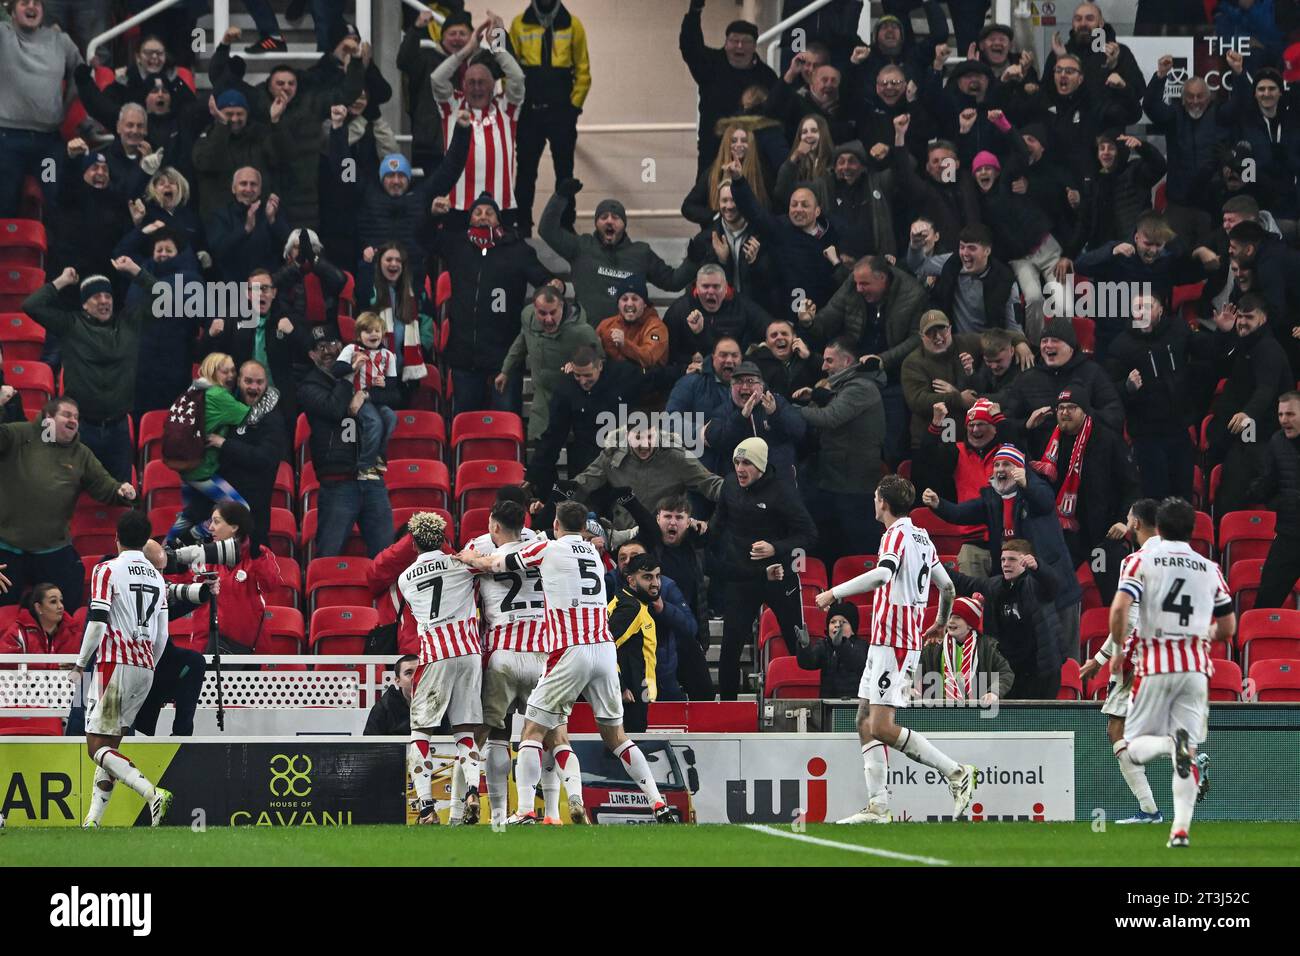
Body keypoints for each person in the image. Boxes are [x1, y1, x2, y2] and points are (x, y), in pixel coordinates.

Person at [457, 500, 680, 824]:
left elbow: (496, 563)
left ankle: (523, 811)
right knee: (617, 736)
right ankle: (659, 805)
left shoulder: (548, 549)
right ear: (585, 529)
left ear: (557, 526)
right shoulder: (592, 554)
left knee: (532, 731)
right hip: (603, 650)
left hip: (569, 650)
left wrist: (469, 558)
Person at [813, 474, 977, 824]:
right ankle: (879, 807)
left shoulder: (897, 534)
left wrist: (834, 593)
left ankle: (957, 772)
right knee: (863, 720)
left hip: (896, 641)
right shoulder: (922, 536)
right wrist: (939, 621)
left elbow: (883, 575)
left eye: (875, 498)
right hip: (887, 640)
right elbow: (947, 588)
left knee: (883, 726)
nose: (874, 503)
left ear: (883, 503)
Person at [1112, 497, 1236, 849]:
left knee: (1132, 748)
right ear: (1193, 529)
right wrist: (1202, 635)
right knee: (1190, 755)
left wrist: (1119, 651)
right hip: (1195, 668)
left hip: (1155, 665)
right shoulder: (1209, 567)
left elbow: (1121, 607)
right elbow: (1227, 627)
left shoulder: (1139, 561)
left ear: (1158, 527)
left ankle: (1170, 745)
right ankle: (1180, 831)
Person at [924, 444, 1083, 665]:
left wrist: (1027, 482)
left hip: (1054, 582)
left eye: (1006, 464)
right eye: (996, 464)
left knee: (1065, 650)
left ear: (1019, 468)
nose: (1000, 469)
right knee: (1036, 651)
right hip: (1021, 587)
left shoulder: (1036, 488)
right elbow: (961, 513)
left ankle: (1072, 694)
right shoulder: (992, 498)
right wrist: (938, 504)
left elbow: (1045, 503)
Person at [465, 499, 566, 826]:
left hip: (502, 653)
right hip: (542, 654)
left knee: (493, 732)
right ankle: (552, 812)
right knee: (548, 735)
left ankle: (492, 813)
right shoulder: (542, 544)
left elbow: (462, 572)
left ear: (494, 523)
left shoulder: (478, 546)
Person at [73, 510, 174, 828]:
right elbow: (163, 635)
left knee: (95, 746)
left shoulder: (106, 570)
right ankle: (93, 821)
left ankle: (152, 792)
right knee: (111, 747)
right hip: (145, 666)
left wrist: (80, 662)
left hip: (113, 664)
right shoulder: (157, 577)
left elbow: (98, 620)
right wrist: (148, 666)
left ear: (116, 537)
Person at [1080, 499, 1178, 824]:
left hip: (1140, 655)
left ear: (1135, 523)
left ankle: (1177, 759)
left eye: (1127, 517)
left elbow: (1127, 615)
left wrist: (1106, 656)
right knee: (1132, 729)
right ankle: (1150, 808)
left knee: (1117, 730)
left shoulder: (1135, 561)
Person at [23, 260, 160, 484]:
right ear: (84, 304)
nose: (104, 301)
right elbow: (31, 306)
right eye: (96, 297)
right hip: (81, 428)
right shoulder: (70, 325)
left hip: (118, 429)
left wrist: (135, 271)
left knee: (122, 494)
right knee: (72, 492)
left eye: (108, 296)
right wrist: (62, 281)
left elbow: (165, 298)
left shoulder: (128, 324)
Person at [0, 397, 137, 611]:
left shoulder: (80, 453)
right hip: (8, 545)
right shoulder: (19, 434)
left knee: (69, 599)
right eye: (66, 415)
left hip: (53, 547)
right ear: (48, 418)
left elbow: (102, 483)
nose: (73, 420)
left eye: (76, 417)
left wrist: (119, 491)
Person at [435, 190, 560, 417]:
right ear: (469, 218)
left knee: (506, 423)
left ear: (498, 219)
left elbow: (545, 280)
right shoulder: (458, 246)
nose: (483, 216)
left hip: (504, 360)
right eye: (478, 212)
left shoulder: (518, 250)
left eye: (489, 212)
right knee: (466, 425)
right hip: (464, 357)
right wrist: (433, 215)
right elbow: (422, 237)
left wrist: (555, 286)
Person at [710, 437, 816, 700]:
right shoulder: (730, 485)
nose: (740, 468)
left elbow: (809, 535)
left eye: (746, 462)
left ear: (760, 465)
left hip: (780, 575)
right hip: (744, 577)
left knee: (796, 642)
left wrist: (775, 548)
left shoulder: (782, 491)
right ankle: (727, 709)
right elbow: (717, 526)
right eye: (737, 461)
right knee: (730, 646)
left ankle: (806, 701)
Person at [398, 512, 483, 826]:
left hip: (436, 653)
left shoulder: (405, 578)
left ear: (414, 541)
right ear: (444, 538)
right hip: (469, 652)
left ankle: (426, 810)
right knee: (465, 731)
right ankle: (473, 790)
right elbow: (483, 568)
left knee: (421, 733)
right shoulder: (461, 564)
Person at [1030, 389, 1138, 604]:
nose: (1065, 413)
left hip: (1105, 533)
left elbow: (1132, 486)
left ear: (1085, 411)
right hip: (1066, 533)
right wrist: (1029, 429)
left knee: (1112, 594)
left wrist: (1123, 521)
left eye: (1072, 407)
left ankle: (1117, 633)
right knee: (1053, 590)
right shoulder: (1049, 442)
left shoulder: (1108, 440)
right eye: (1061, 408)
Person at [540, 179, 698, 322]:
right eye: (603, 217)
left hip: (629, 341)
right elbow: (547, 230)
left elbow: (673, 281)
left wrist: (693, 260)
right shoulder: (582, 246)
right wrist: (560, 197)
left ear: (624, 224)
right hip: (588, 339)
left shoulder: (641, 253)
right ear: (596, 223)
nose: (609, 220)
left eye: (615, 217)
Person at [298, 329, 394, 558]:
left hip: (371, 478)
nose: (329, 350)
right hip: (338, 481)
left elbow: (394, 398)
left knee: (386, 557)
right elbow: (334, 409)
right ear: (312, 355)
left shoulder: (366, 372)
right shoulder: (308, 387)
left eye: (332, 343)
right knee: (329, 556)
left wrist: (368, 394)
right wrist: (349, 377)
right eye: (320, 347)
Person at [792, 337, 886, 567]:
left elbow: (830, 417)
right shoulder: (849, 385)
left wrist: (790, 410)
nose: (823, 367)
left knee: (857, 550)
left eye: (829, 361)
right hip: (838, 480)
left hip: (854, 484)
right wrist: (816, 396)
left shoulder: (861, 387)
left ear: (846, 361)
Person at [430, 13, 526, 220]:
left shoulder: (506, 109)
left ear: (493, 85)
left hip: (501, 207)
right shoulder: (452, 107)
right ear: (463, 86)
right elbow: (436, 79)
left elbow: (517, 77)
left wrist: (498, 42)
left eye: (482, 82)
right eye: (471, 82)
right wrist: (468, 48)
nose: (476, 87)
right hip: (457, 207)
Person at [1203, 295, 1293, 514]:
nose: (1242, 321)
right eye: (1240, 316)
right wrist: (1223, 332)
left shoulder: (1268, 349)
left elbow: (1266, 389)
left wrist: (1247, 413)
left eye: (1249, 317)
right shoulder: (1244, 343)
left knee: (1237, 492)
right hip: (1240, 434)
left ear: (1263, 318)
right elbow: (1217, 363)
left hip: (1258, 437)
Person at [509, 0, 590, 237]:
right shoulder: (519, 25)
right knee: (525, 172)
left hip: (561, 114)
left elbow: (584, 72)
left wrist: (573, 108)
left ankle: (565, 224)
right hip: (528, 113)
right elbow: (508, 68)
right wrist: (515, 105)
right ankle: (522, 225)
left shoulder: (573, 25)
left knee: (564, 171)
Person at [949, 538, 1064, 699]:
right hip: (1008, 671)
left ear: (1026, 561)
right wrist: (930, 562)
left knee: (1039, 722)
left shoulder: (1036, 585)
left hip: (1040, 672)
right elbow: (963, 582)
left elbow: (1053, 584)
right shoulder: (994, 586)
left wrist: (1038, 567)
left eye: (1012, 559)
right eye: (1003, 559)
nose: (1005, 564)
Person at [1105, 294, 1195, 500]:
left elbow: (1206, 355)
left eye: (1148, 305)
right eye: (1137, 306)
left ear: (1161, 309)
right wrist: (1127, 387)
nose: (1142, 310)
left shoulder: (1178, 331)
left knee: (1183, 497)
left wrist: (1226, 334)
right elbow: (1109, 392)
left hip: (1179, 430)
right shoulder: (1120, 345)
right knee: (1154, 498)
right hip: (1146, 435)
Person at [525, 345, 646, 496]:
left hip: (620, 458)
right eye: (577, 375)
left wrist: (682, 371)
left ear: (600, 366)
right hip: (585, 460)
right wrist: (534, 473)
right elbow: (554, 435)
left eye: (588, 375)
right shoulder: (565, 389)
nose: (583, 381)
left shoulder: (622, 375)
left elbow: (654, 378)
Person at [0, 0, 82, 217]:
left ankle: (52, 248)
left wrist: (64, 106)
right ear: (12, 12)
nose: (32, 7)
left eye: (37, 3)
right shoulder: (2, 35)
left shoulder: (60, 40)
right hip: (8, 140)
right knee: (5, 200)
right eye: (24, 3)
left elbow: (82, 74)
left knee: (52, 195)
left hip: (48, 144)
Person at [678, 4, 778, 174]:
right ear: (726, 43)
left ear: (754, 46)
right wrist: (694, 12)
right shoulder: (711, 64)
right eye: (734, 40)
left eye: (746, 41)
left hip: (753, 154)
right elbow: (690, 45)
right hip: (712, 149)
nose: (739, 46)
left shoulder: (767, 77)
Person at [166, 352, 254, 544]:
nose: (231, 376)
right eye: (225, 371)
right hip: (202, 470)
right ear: (213, 371)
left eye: (233, 371)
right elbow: (252, 417)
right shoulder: (218, 395)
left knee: (189, 515)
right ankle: (193, 536)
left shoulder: (195, 389)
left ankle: (167, 547)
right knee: (240, 509)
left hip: (186, 466)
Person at [500, 286, 599, 443]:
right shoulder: (527, 317)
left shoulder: (582, 332)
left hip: (574, 400)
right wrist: (506, 370)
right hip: (542, 400)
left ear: (561, 306)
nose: (548, 319)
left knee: (578, 452)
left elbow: (600, 360)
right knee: (540, 452)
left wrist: (580, 366)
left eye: (553, 313)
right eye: (542, 313)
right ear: (535, 309)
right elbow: (522, 341)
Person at [210, 360, 287, 549]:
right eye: (248, 381)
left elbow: (263, 458)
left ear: (266, 383)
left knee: (253, 566)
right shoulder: (226, 408)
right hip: (221, 505)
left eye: (259, 382)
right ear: (238, 381)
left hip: (254, 511)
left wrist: (225, 444)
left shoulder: (272, 417)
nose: (254, 387)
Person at [194, 501, 281, 656]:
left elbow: (271, 585)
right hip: (209, 643)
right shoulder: (205, 555)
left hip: (249, 647)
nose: (210, 528)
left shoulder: (258, 554)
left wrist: (257, 558)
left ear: (234, 527)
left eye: (216, 522)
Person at [704, 361, 807, 480]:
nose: (744, 387)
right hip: (740, 483)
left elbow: (799, 430)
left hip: (777, 480)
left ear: (761, 386)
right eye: (738, 382)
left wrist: (774, 414)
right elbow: (715, 439)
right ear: (731, 388)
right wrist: (740, 418)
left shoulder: (777, 403)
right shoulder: (723, 411)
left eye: (750, 381)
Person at [1247, 393, 1300, 609]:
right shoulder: (1277, 441)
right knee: (1266, 601)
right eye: (1280, 414)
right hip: (1289, 535)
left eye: (1290, 414)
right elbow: (1268, 483)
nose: (1284, 419)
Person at [334, 312, 400, 481]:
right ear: (359, 335)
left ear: (383, 333)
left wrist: (384, 383)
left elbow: (393, 385)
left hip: (376, 397)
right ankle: (365, 466)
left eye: (377, 330)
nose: (373, 334)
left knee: (391, 418)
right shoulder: (351, 349)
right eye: (368, 331)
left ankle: (378, 456)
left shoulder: (388, 355)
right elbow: (337, 371)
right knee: (374, 422)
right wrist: (354, 366)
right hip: (356, 396)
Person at [916, 595, 1015, 703]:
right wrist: (911, 687)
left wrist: (994, 692)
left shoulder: (987, 646)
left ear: (970, 624)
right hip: (939, 710)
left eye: (957, 617)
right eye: (950, 616)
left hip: (976, 710)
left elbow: (1006, 673)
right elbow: (916, 671)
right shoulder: (933, 646)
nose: (951, 621)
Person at [607, 552, 664, 732]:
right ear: (631, 581)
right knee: (626, 753)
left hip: (634, 694)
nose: (655, 583)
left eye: (657, 576)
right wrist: (619, 685)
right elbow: (604, 646)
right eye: (647, 577)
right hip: (628, 697)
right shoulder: (631, 608)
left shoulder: (627, 602)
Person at [204, 167, 292, 283]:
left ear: (260, 190)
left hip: (266, 285)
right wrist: (245, 229)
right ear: (233, 189)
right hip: (232, 286)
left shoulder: (271, 211)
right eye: (243, 184)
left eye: (253, 184)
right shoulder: (220, 215)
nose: (248, 189)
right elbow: (218, 251)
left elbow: (289, 246)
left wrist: (273, 221)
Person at [794, 600, 868, 699]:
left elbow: (857, 663)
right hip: (828, 704)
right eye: (832, 622)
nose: (837, 625)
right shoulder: (824, 645)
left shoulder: (861, 646)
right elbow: (809, 663)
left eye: (843, 622)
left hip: (853, 705)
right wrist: (805, 646)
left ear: (853, 629)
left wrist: (841, 645)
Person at [595, 275, 670, 372]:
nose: (629, 304)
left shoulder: (656, 328)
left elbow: (649, 357)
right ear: (618, 304)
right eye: (624, 299)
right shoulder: (605, 325)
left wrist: (624, 344)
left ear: (645, 304)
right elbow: (591, 354)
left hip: (647, 382)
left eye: (635, 299)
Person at [0, 582, 80, 667]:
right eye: (53, 601)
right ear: (38, 607)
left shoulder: (73, 633)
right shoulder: (17, 633)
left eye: (61, 601)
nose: (60, 606)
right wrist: (56, 667)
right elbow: (6, 667)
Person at [364, 653, 416, 736]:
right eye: (409, 673)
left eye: (420, 672)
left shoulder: (439, 703)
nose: (415, 677)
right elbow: (370, 746)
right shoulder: (384, 707)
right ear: (398, 681)